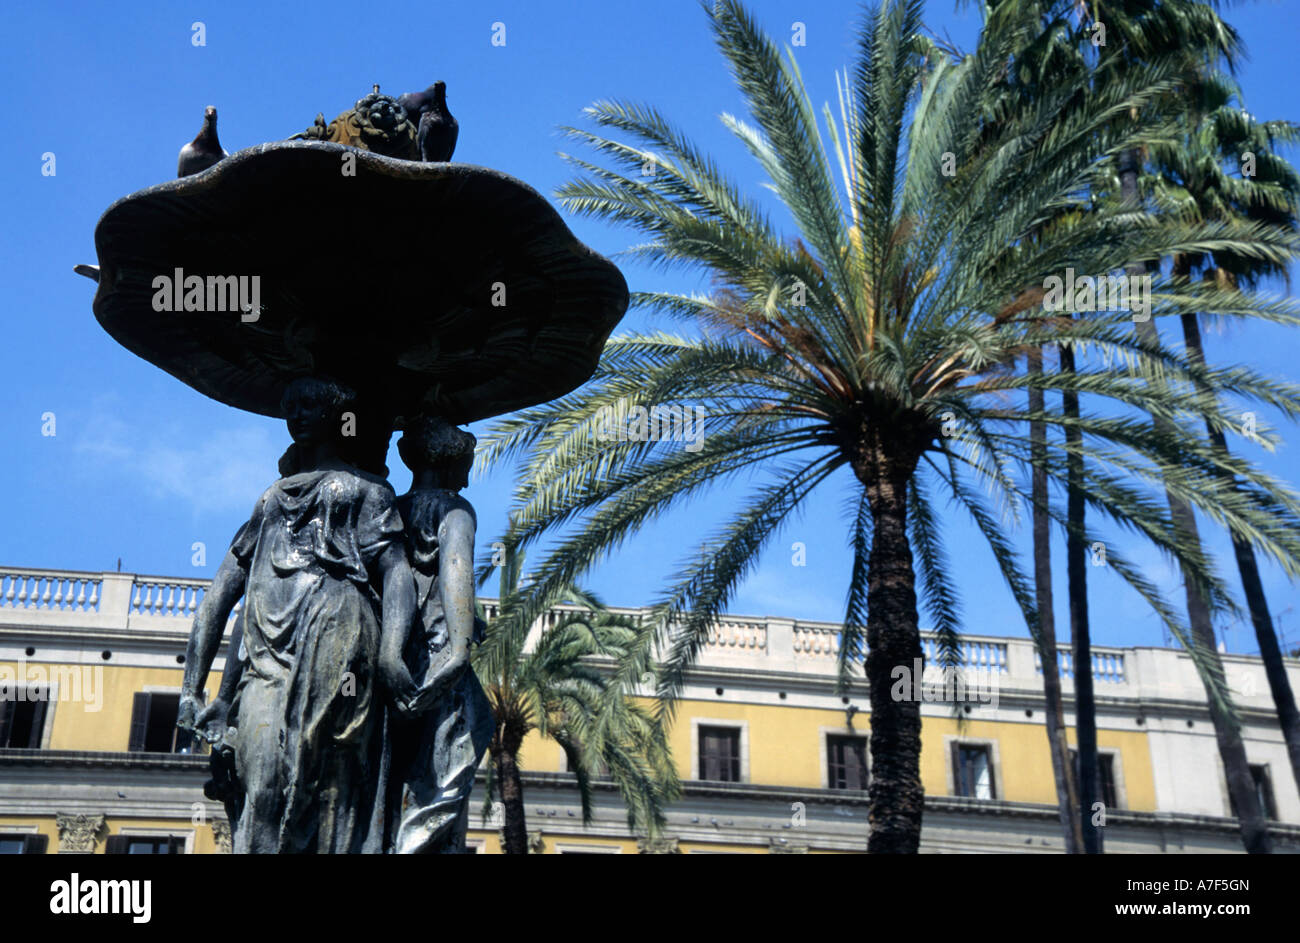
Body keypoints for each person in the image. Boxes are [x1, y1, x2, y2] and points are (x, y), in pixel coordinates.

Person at [178, 376, 421, 853]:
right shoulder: (269, 501)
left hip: (340, 637)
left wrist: (392, 652)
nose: (300, 414)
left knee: (332, 784)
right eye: (292, 405)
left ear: (336, 415)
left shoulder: (365, 490)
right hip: (269, 656)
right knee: (263, 781)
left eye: (312, 405)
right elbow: (220, 596)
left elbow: (396, 575)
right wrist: (193, 689)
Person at [386, 415, 493, 853]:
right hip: (435, 651)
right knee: (468, 733)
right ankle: (418, 843)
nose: (469, 473)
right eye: (467, 460)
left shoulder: (393, 506)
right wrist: (461, 643)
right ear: (450, 461)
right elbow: (455, 571)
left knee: (399, 765)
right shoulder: (454, 509)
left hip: (396, 651)